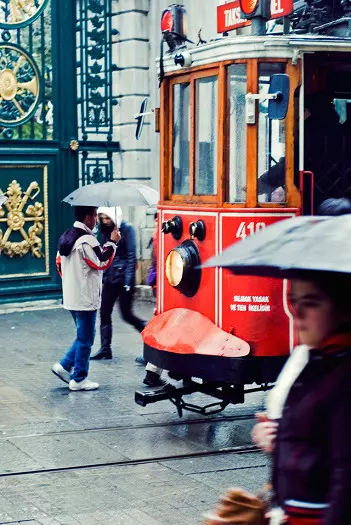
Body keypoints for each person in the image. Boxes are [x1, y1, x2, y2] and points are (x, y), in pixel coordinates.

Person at [252, 271, 351, 524]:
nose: (298, 313)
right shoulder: (314, 359)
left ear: (343, 308)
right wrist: (274, 432)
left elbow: (345, 480)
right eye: (295, 301)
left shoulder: (342, 374)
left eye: (312, 302)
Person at [52, 206, 120, 391]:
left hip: (72, 294)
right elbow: (102, 261)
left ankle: (65, 365)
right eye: (95, 216)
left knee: (84, 335)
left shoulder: (65, 236)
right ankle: (78, 378)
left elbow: (59, 265)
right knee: (86, 338)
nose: (97, 220)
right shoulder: (87, 240)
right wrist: (113, 242)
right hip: (85, 297)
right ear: (88, 217)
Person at [90, 207, 146, 361]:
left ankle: (149, 337)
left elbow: (131, 256)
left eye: (107, 218)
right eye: (102, 218)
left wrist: (128, 281)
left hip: (123, 280)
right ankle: (105, 349)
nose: (105, 221)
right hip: (109, 278)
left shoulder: (127, 229)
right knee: (104, 312)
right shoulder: (103, 231)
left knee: (127, 315)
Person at [142, 212, 167, 387]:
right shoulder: (162, 234)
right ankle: (153, 370)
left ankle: (153, 370)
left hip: (161, 285)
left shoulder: (158, 233)